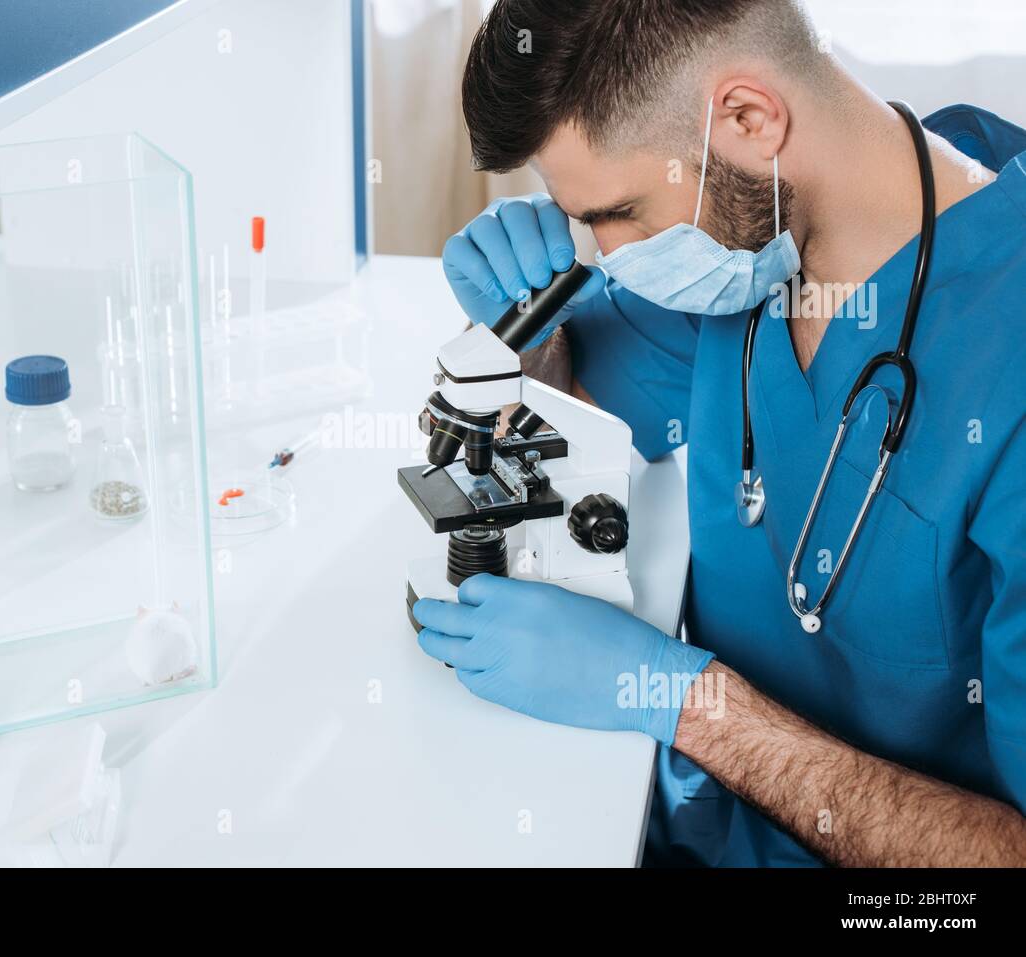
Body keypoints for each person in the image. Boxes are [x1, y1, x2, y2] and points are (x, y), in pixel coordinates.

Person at [414, 0, 1026, 866]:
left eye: (618, 214)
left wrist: (687, 703)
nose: (605, 254)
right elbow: (588, 389)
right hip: (679, 815)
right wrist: (533, 328)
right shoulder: (757, 242)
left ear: (749, 118)